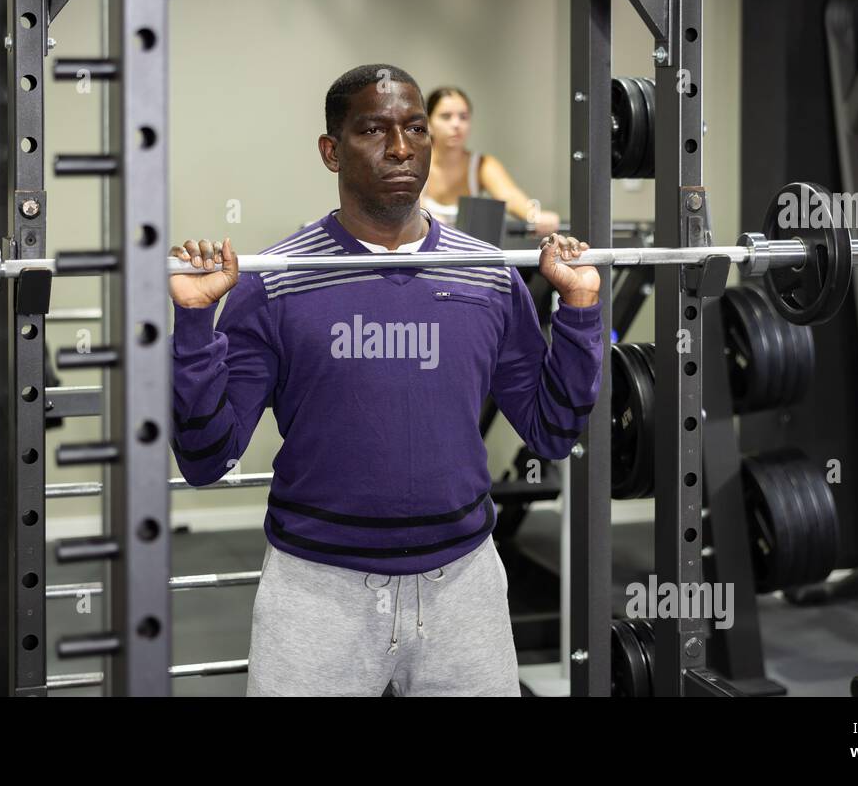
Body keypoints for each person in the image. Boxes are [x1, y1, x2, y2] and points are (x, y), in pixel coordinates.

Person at [169, 64, 603, 696]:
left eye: (414, 128)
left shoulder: (488, 275)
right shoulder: (277, 280)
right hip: (317, 591)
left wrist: (582, 311)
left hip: (465, 587)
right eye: (372, 129)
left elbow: (555, 431)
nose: (400, 148)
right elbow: (207, 457)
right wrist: (193, 325)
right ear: (330, 151)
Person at [420, 86, 562, 235]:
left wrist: (535, 216)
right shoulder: (416, 163)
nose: (456, 124)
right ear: (428, 123)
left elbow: (509, 196)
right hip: (423, 253)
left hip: (466, 253)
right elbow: (413, 211)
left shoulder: (481, 164)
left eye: (463, 117)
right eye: (446, 116)